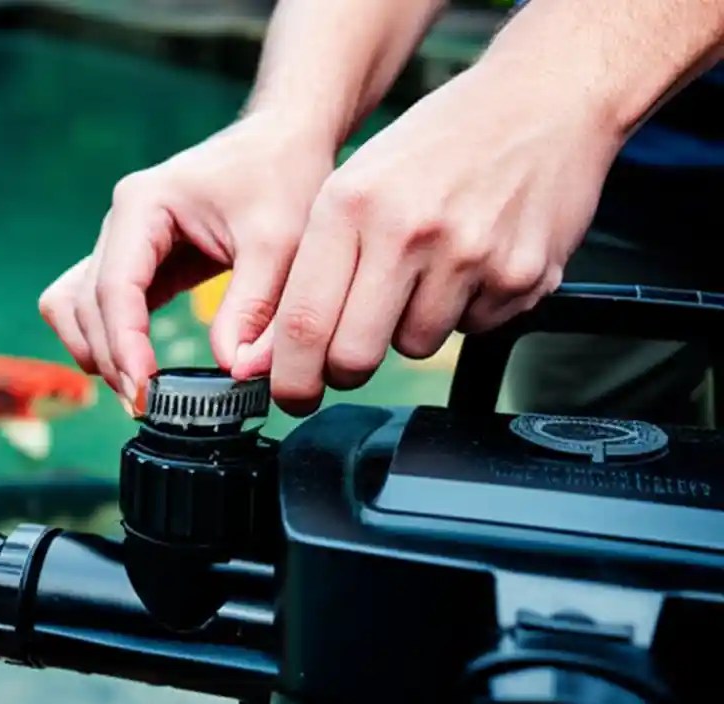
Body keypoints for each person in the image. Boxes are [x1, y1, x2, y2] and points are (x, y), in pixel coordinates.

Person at [37, 0, 724, 424]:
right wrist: (291, 123)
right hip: (624, 191)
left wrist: (551, 86)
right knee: (592, 511)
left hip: (586, 150)